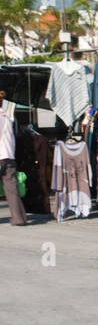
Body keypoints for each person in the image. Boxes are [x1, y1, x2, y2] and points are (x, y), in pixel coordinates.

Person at [0, 93, 28, 226]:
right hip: (9, 156)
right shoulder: (6, 117)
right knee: (11, 188)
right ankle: (18, 218)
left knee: (11, 187)